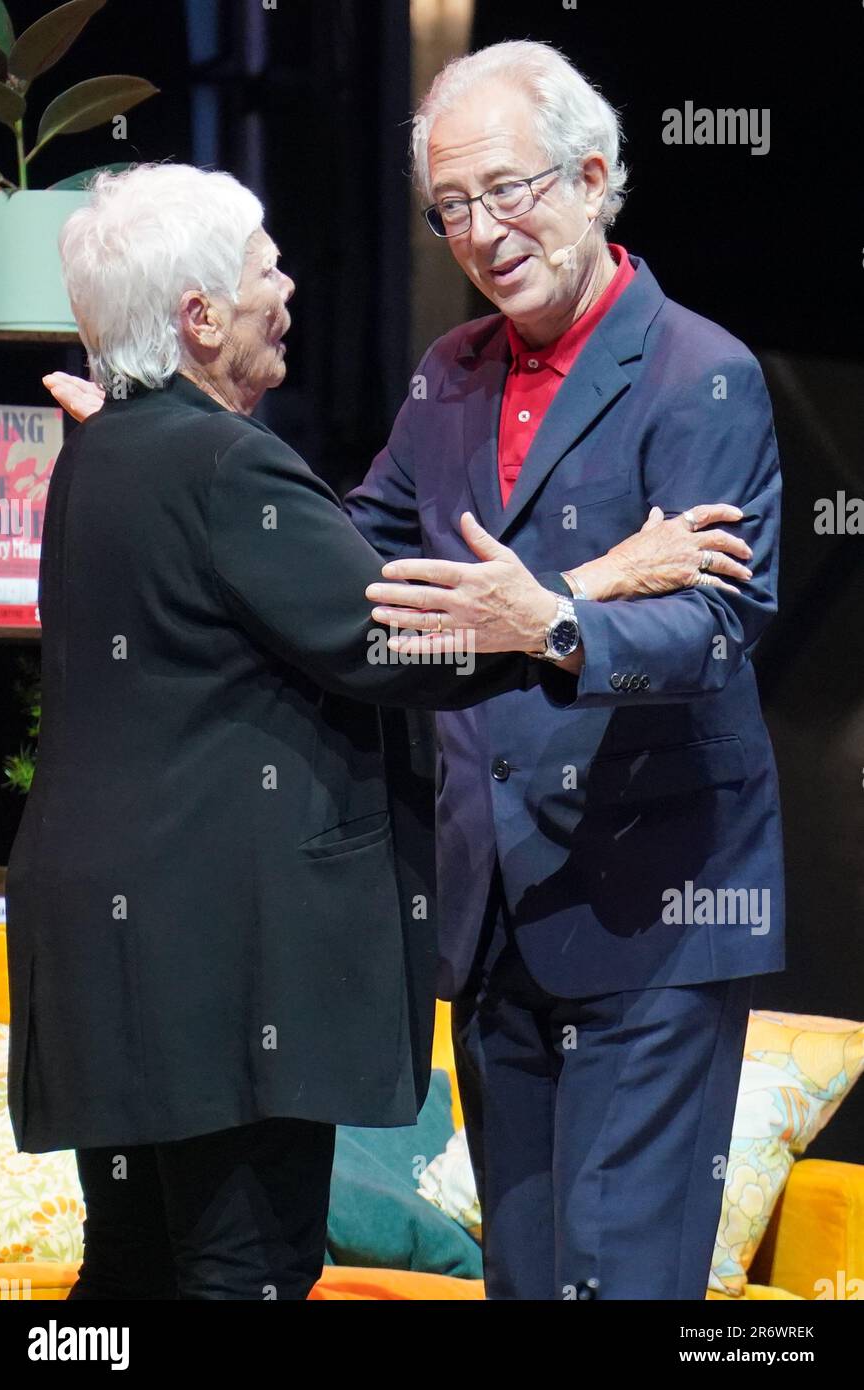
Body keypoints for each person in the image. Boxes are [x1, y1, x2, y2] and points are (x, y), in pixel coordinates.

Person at [26, 162, 748, 1300]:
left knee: (129, 1267)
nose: (290, 285)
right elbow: (393, 641)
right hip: (222, 961)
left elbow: (324, 577)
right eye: (266, 265)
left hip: (111, 953)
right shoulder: (217, 461)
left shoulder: (104, 452)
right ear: (199, 317)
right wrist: (603, 575)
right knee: (242, 1268)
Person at [345, 40, 784, 1300]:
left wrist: (549, 619)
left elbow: (712, 629)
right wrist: (184, 451)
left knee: (617, 1283)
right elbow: (359, 575)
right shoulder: (447, 374)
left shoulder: (702, 373)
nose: (480, 232)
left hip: (654, 907)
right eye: (452, 208)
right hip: (497, 910)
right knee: (528, 1282)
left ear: (593, 177)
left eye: (507, 191)